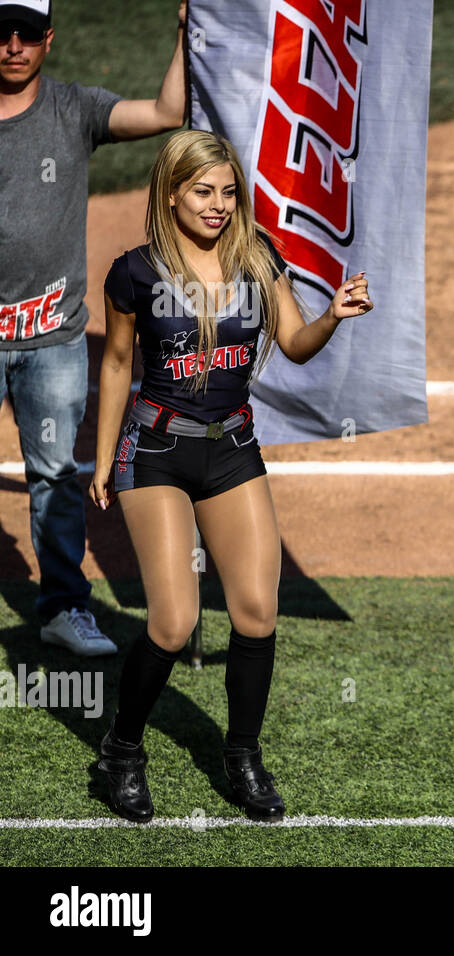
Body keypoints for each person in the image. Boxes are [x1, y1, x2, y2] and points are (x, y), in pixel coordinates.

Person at [89, 129, 373, 822]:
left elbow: (298, 345)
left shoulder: (256, 258)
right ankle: (121, 753)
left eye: (227, 191)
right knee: (175, 621)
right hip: (154, 453)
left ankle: (242, 756)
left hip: (232, 449)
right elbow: (119, 364)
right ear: (171, 192)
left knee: (256, 611)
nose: (218, 205)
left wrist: (332, 316)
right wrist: (102, 461)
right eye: (202, 191)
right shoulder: (135, 273)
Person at [0, 0, 189, 655]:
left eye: (27, 33)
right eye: (2, 32)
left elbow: (168, 115)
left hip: (52, 339)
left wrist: (186, 33)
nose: (14, 45)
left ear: (48, 39)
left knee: (53, 473)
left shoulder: (73, 109)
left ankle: (60, 608)